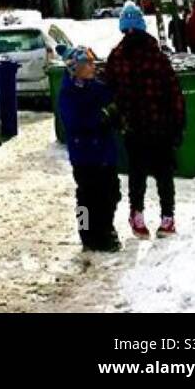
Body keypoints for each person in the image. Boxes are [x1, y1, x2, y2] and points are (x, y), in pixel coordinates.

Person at [102, 2, 185, 238]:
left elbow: (109, 93)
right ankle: (166, 218)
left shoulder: (117, 57)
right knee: (162, 173)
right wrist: (178, 124)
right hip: (161, 126)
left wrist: (119, 120)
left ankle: (137, 215)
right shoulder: (155, 55)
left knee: (138, 172)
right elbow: (174, 93)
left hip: (135, 127)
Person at [57, 47, 121, 252]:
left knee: (111, 193)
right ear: (76, 68)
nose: (93, 67)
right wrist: (100, 118)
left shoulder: (96, 86)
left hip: (104, 152)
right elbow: (75, 121)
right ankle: (87, 234)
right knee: (87, 196)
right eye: (88, 64)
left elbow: (112, 96)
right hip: (84, 155)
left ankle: (106, 229)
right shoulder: (69, 92)